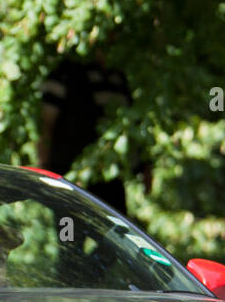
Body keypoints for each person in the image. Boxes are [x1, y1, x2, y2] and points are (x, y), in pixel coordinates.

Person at [37, 57, 150, 217]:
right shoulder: (65, 74)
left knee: (117, 234)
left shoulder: (118, 78)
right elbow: (46, 123)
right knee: (68, 236)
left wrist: (143, 166)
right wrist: (45, 167)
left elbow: (132, 126)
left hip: (109, 179)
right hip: (68, 178)